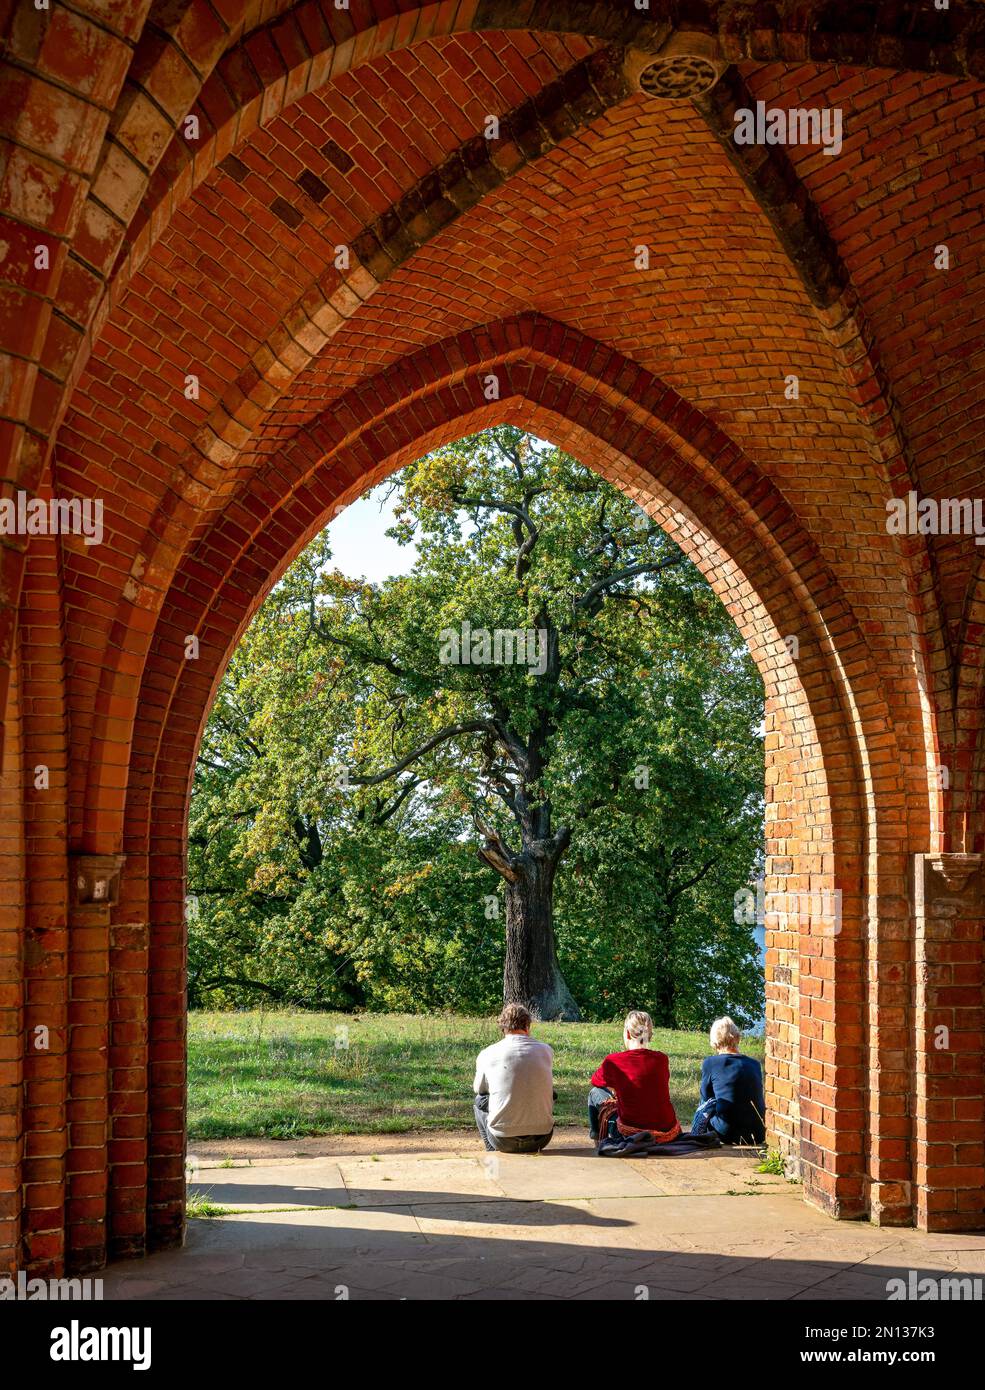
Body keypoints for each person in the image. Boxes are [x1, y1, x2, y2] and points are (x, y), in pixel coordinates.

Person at [473, 1002, 554, 1153]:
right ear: (528, 1025)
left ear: (503, 1027)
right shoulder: (546, 1050)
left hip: (502, 1139)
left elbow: (479, 1089)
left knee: (479, 1101)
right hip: (542, 1138)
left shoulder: (488, 1053)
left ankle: (492, 1151)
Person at [587, 1010, 679, 1141]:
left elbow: (596, 1081)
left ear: (628, 1034)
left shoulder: (614, 1061)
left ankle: (597, 1138)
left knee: (594, 1093)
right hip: (666, 1130)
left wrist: (615, 1088)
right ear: (650, 1034)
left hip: (629, 1131)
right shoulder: (661, 1059)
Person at [691, 1016, 766, 1144]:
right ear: (737, 1037)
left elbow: (706, 1098)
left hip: (726, 1133)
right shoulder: (755, 1064)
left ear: (714, 1041)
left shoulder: (710, 1063)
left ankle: (697, 1135)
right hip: (758, 1133)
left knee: (704, 1108)